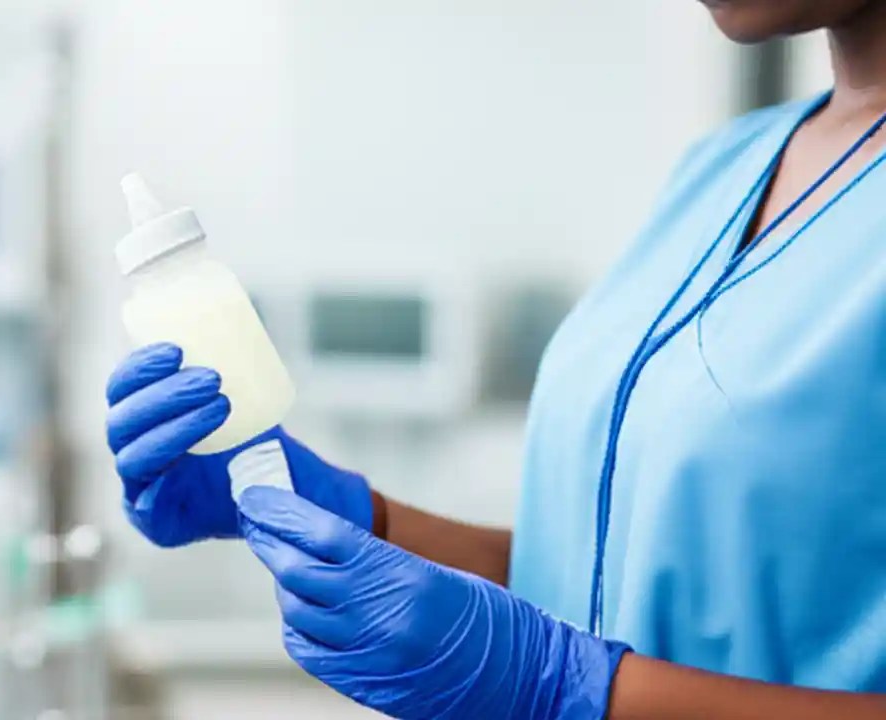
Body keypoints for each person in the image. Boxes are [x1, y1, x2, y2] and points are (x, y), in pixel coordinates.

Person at [105, 1, 886, 717]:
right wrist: (358, 516)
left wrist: (564, 688)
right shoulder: (724, 167)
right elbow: (598, 581)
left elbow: (568, 669)